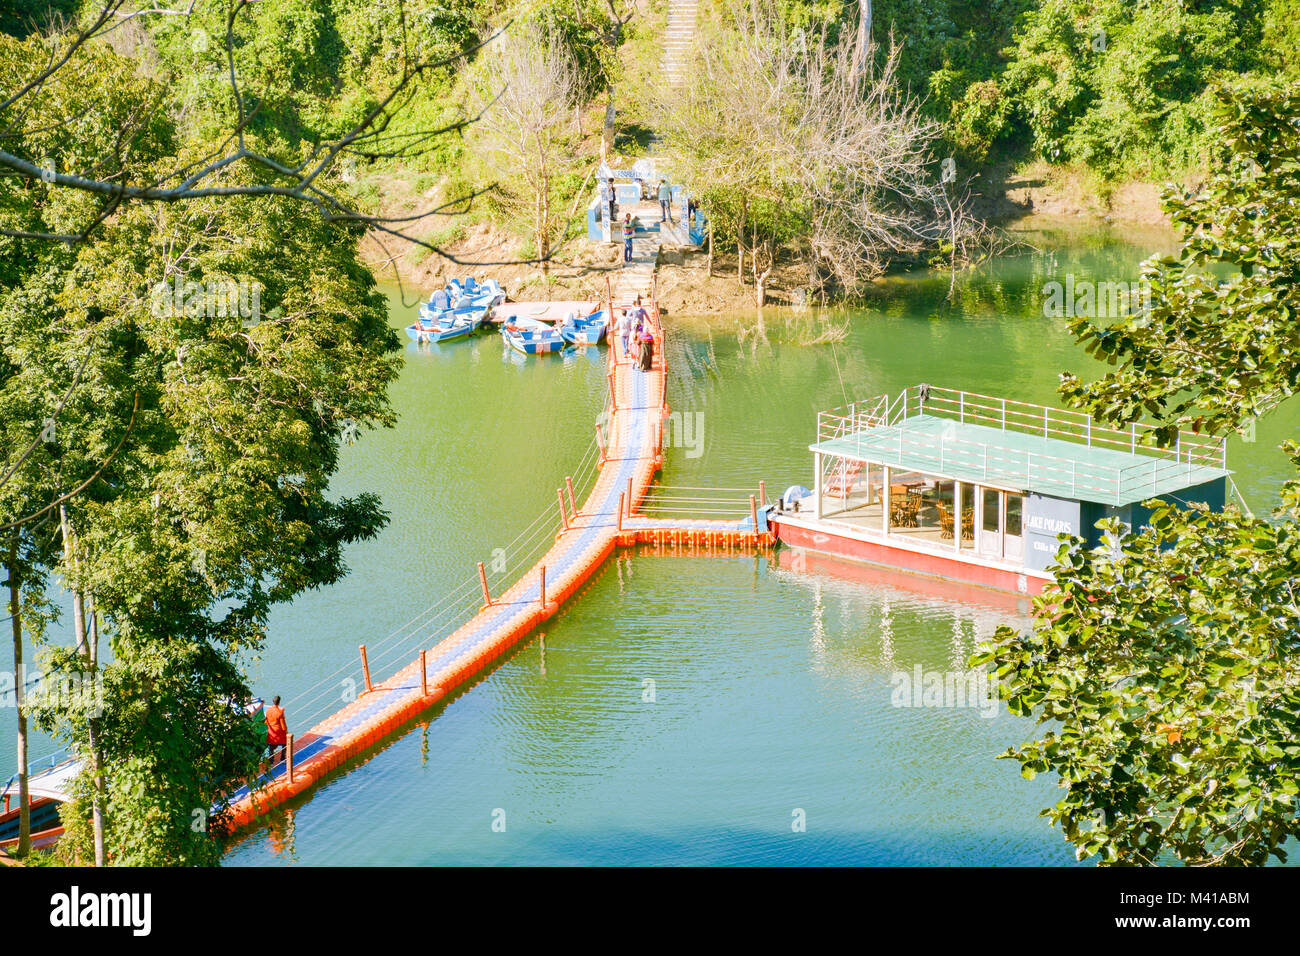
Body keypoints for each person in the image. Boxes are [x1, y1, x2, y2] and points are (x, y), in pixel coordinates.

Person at [265, 695, 287, 764]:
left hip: (270, 731)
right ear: (279, 702)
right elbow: (283, 726)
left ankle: (271, 760)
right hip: (278, 732)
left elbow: (266, 721)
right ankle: (283, 759)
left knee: (271, 746)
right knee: (286, 742)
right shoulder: (279, 712)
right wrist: (286, 732)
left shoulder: (268, 710)